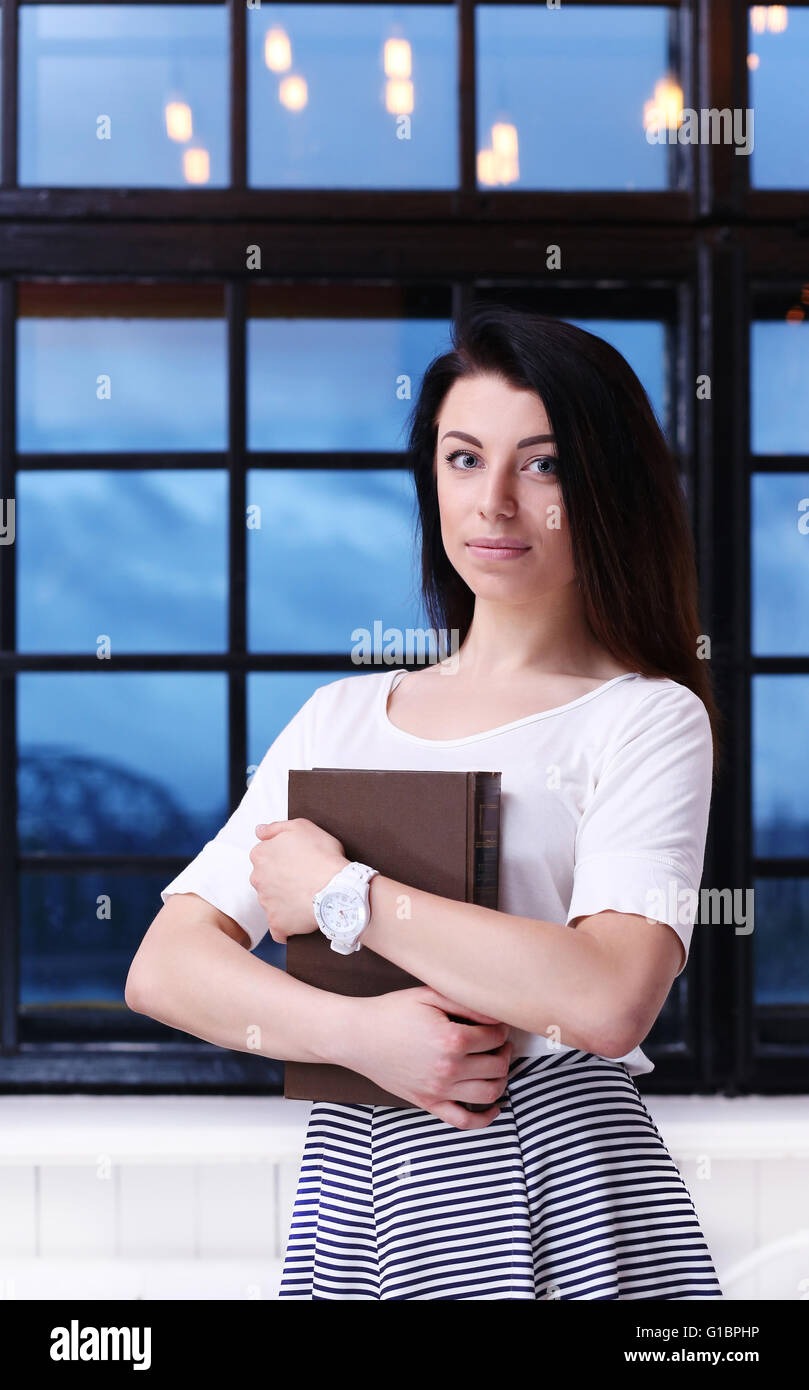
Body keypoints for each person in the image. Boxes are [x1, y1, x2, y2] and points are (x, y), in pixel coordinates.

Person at [126, 304, 725, 1300]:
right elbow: (166, 967)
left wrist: (343, 892)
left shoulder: (644, 718)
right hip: (362, 1177)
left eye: (541, 464)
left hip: (560, 1174)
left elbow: (607, 998)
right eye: (460, 458)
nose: (490, 501)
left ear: (605, 487)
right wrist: (363, 1038)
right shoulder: (341, 714)